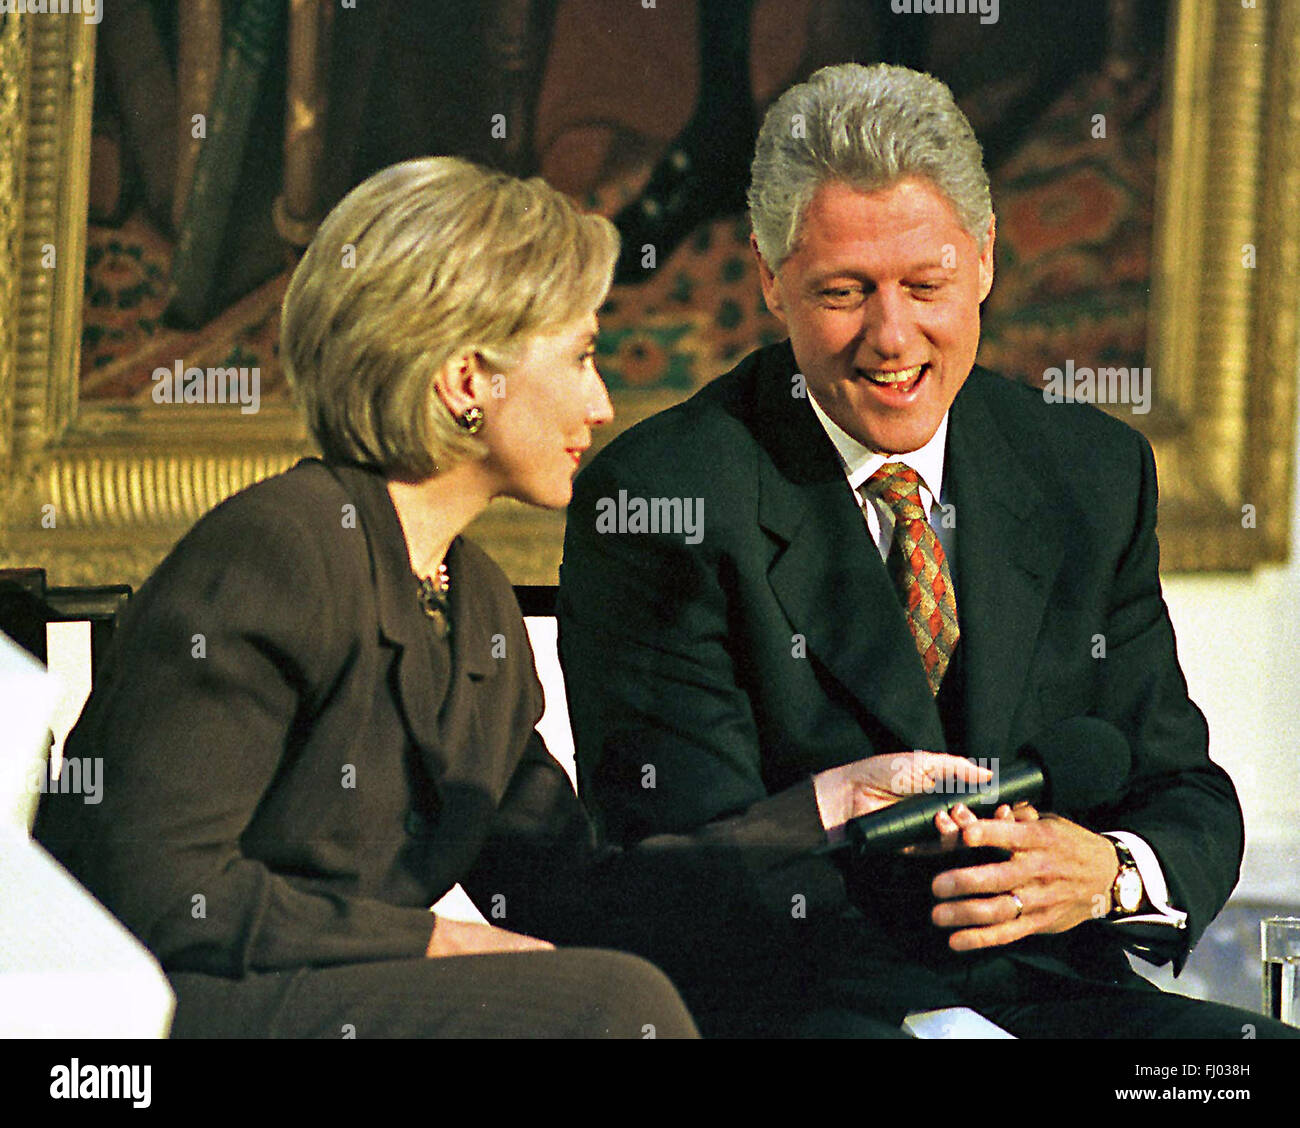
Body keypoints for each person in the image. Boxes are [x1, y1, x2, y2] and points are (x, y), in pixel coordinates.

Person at [557, 63, 1299, 1038]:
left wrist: (1109, 874)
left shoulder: (1087, 470)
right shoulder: (665, 495)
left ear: (984, 259)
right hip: (802, 1005)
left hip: (1061, 1002)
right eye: (842, 291)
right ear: (769, 281)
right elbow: (681, 863)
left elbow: (1179, 787)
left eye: (925, 284)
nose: (890, 335)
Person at [33, 157, 697, 1038]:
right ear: (468, 382)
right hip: (171, 1019)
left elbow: (574, 894)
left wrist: (817, 833)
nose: (602, 403)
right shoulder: (281, 548)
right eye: (580, 356)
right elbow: (151, 890)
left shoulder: (479, 608)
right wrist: (434, 943)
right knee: (616, 1009)